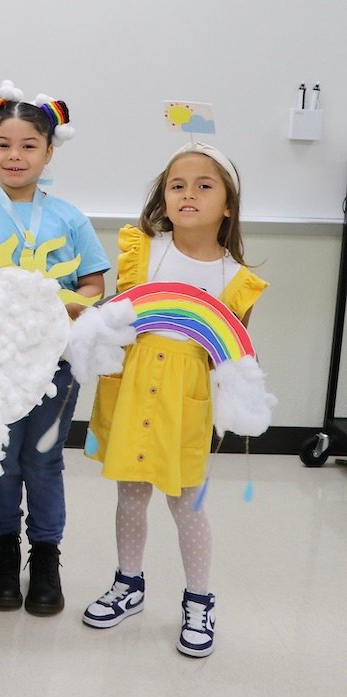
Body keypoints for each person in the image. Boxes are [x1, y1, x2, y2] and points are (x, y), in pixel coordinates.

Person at [82, 142, 267, 658]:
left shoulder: (237, 279)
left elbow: (230, 351)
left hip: (185, 401)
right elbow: (118, 316)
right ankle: (129, 584)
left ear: (228, 205)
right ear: (163, 199)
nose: (189, 194)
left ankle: (199, 599)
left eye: (205, 186)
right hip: (134, 387)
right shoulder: (142, 248)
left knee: (188, 503)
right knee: (131, 495)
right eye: (177, 185)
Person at [0, 82, 109, 616]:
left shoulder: (69, 217)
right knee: (1, 461)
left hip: (55, 364)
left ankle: (45, 554)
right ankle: (3, 550)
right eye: (3, 144)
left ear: (48, 151)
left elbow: (95, 285)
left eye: (28, 146)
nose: (15, 156)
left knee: (42, 461)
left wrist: (61, 306)